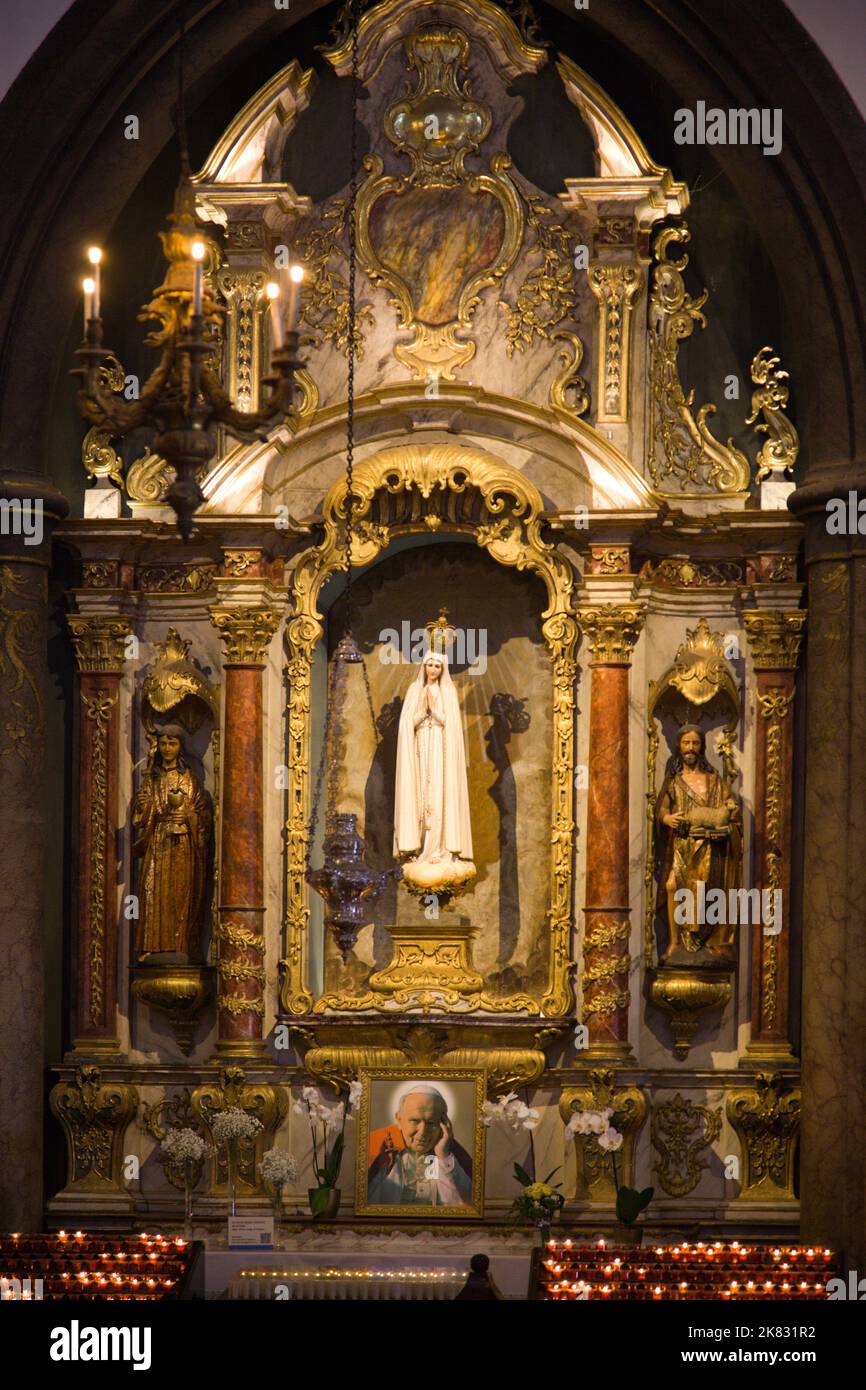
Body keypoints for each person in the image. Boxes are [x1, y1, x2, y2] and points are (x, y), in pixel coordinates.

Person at [655, 724, 741, 959]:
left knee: (703, 893)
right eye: (686, 743)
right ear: (679, 746)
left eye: (695, 743)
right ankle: (674, 943)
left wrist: (733, 813)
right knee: (672, 885)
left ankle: (704, 944)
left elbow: (729, 807)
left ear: (701, 747)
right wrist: (666, 818)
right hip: (682, 844)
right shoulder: (674, 781)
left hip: (710, 848)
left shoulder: (714, 780)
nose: (690, 748)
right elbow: (661, 809)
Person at [132, 724, 211, 958]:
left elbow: (204, 815)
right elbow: (140, 818)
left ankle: (182, 947)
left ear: (180, 748)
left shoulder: (191, 781)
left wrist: (189, 816)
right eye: (164, 744)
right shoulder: (151, 780)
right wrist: (144, 805)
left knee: (180, 896)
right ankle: (150, 948)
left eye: (172, 744)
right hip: (157, 841)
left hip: (184, 844)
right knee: (150, 891)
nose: (167, 748)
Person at [393, 650, 473, 869]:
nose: (433, 670)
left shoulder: (447, 691)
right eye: (430, 665)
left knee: (438, 797)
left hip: (440, 748)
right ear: (424, 666)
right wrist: (422, 712)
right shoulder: (414, 690)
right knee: (420, 796)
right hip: (420, 748)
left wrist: (434, 710)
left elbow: (452, 725)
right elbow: (407, 724)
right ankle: (419, 848)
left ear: (443, 669)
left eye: (438, 666)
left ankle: (438, 849)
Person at [367, 1084, 473, 1206]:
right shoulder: (379, 1147)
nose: (423, 1132)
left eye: (431, 1122)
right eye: (415, 1121)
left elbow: (465, 1206)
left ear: (443, 1123)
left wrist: (444, 1157)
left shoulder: (452, 1154)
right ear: (399, 1120)